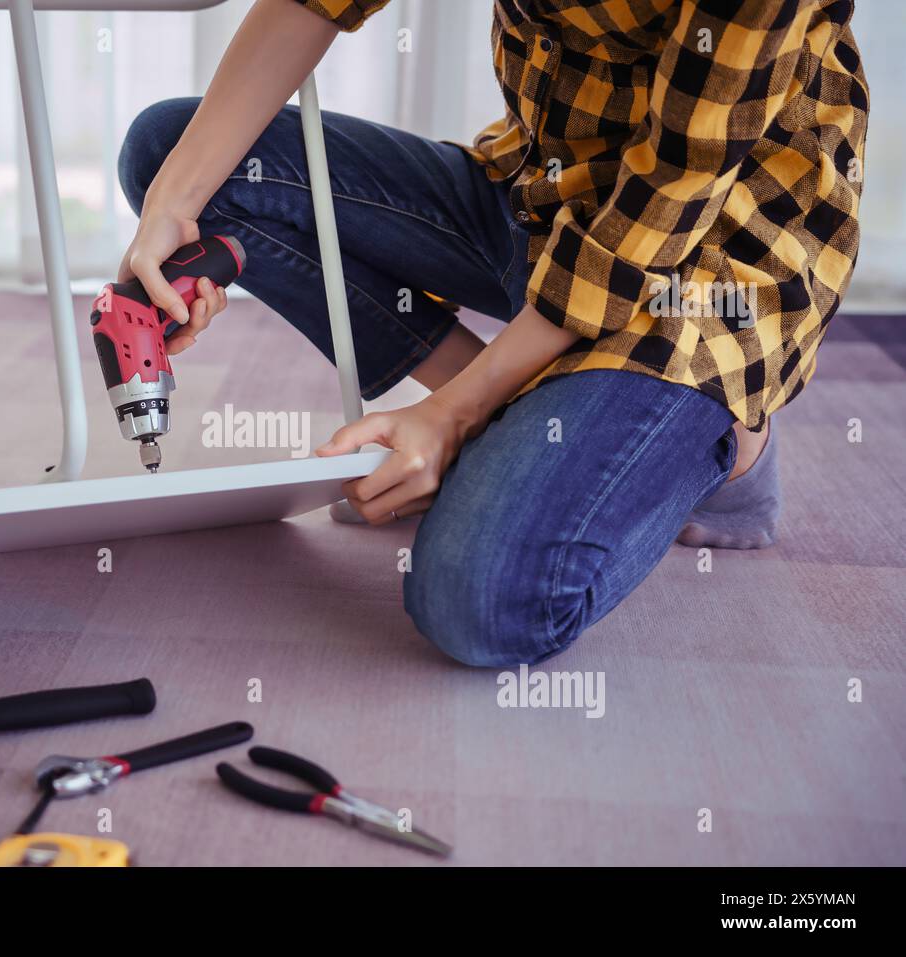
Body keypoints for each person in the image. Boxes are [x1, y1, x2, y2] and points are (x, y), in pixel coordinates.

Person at [116, 0, 867, 666]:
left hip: (706, 260)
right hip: (537, 192)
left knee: (481, 599)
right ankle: (524, 414)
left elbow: (660, 208)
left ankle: (731, 442)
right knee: (174, 154)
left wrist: (451, 414)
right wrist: (172, 209)